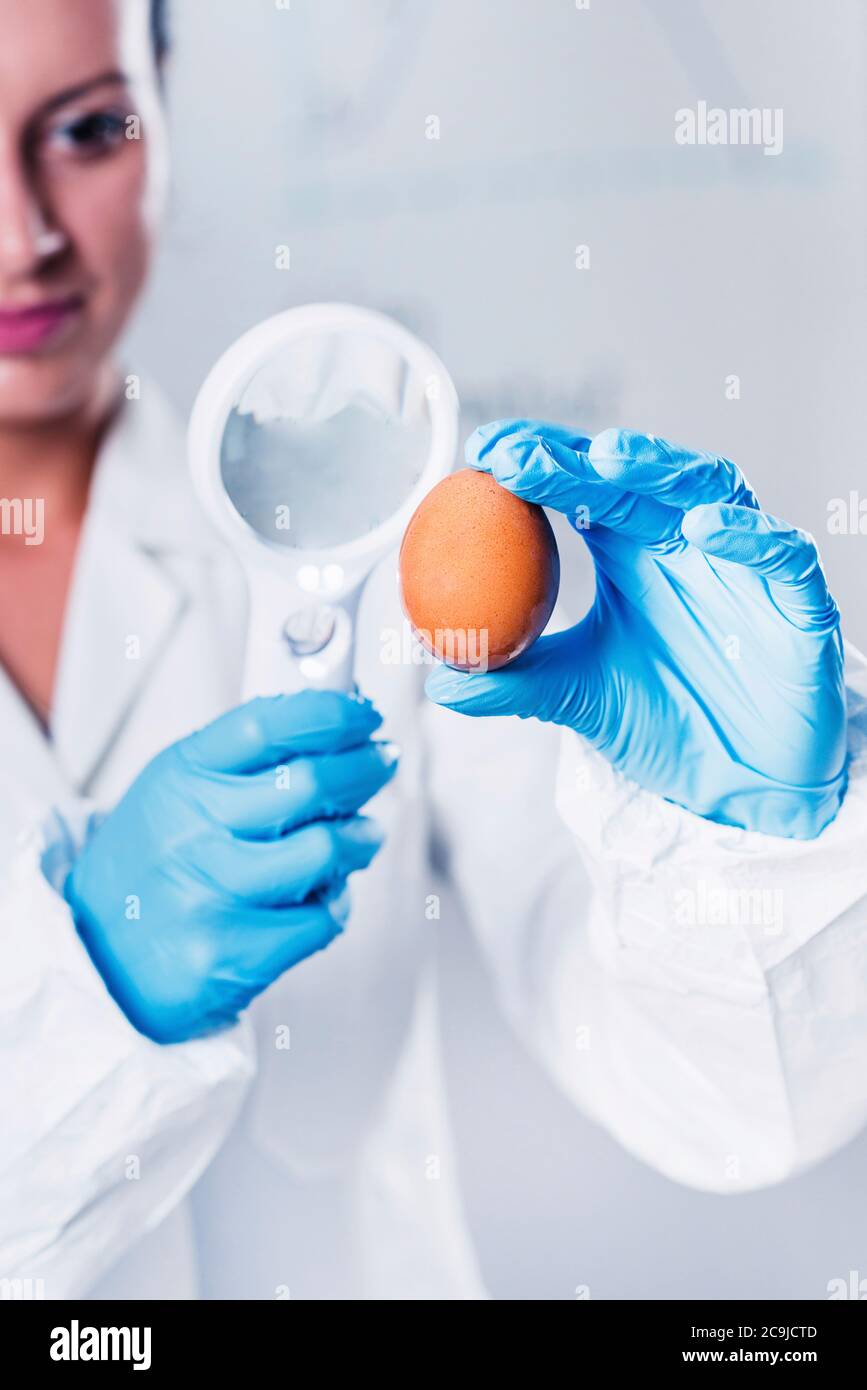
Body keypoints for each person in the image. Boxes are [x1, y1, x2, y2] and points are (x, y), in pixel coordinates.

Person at [1, 0, 866, 1300]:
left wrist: (745, 837)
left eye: (86, 130)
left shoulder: (371, 532)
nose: (27, 237)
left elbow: (727, 1108)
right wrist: (88, 1002)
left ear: (167, 103)